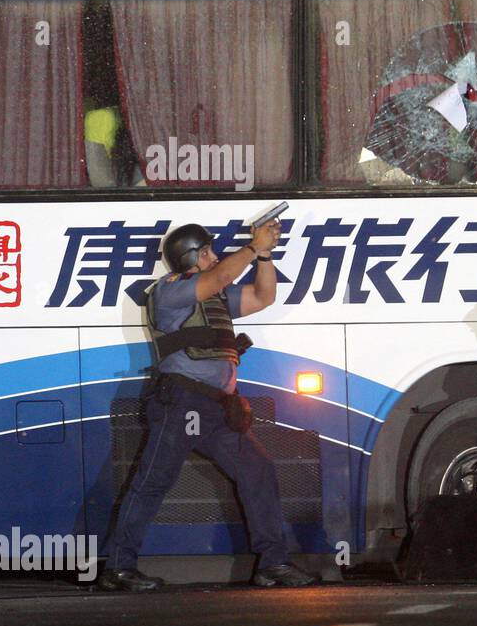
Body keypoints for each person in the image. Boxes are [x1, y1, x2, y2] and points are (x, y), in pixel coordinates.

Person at [101, 220, 318, 591]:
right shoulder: (170, 293)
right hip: (182, 402)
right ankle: (118, 568)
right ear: (189, 257)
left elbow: (264, 297)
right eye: (207, 253)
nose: (214, 257)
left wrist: (264, 254)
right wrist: (251, 248)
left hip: (218, 407)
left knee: (258, 471)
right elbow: (217, 279)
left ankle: (273, 564)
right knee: (153, 481)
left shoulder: (214, 296)